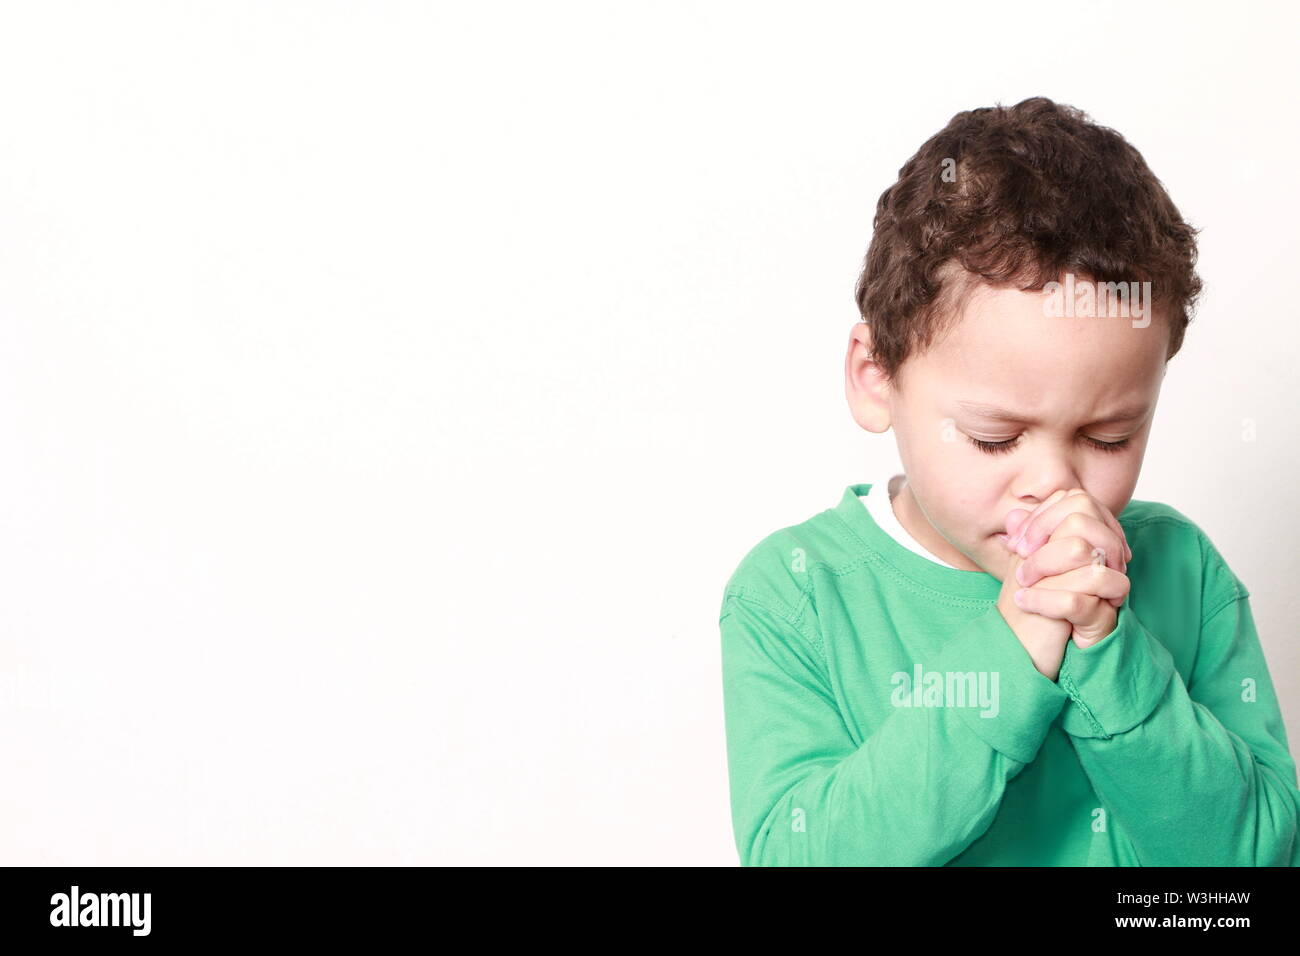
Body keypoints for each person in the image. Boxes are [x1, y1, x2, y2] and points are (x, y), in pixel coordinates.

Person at [718, 96, 1299, 866]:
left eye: (1109, 436)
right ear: (876, 376)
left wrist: (1110, 655)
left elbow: (1254, 858)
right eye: (996, 438)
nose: (1054, 485)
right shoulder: (794, 595)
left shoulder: (1185, 575)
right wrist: (1009, 652)